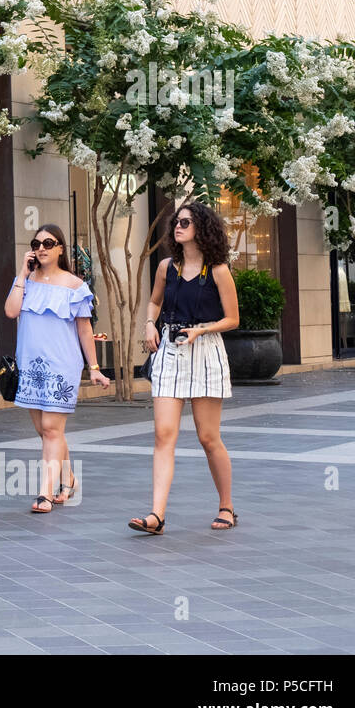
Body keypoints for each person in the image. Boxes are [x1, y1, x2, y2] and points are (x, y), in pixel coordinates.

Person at [129, 202, 240, 535]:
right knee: (164, 435)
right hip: (170, 351)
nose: (178, 227)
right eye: (177, 222)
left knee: (208, 437)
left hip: (204, 350)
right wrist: (150, 323)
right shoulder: (166, 266)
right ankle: (156, 515)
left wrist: (201, 330)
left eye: (186, 222)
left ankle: (227, 506)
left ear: (201, 228)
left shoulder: (218, 269)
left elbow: (233, 319)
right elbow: (154, 301)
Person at [4, 224, 112, 513]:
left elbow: (85, 329)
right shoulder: (25, 282)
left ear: (60, 248)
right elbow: (11, 311)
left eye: (48, 243)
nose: (41, 248)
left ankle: (44, 493)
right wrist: (22, 275)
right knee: (44, 429)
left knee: (52, 428)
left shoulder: (75, 286)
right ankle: (68, 478)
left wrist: (94, 368)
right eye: (36, 243)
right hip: (30, 366)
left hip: (62, 365)